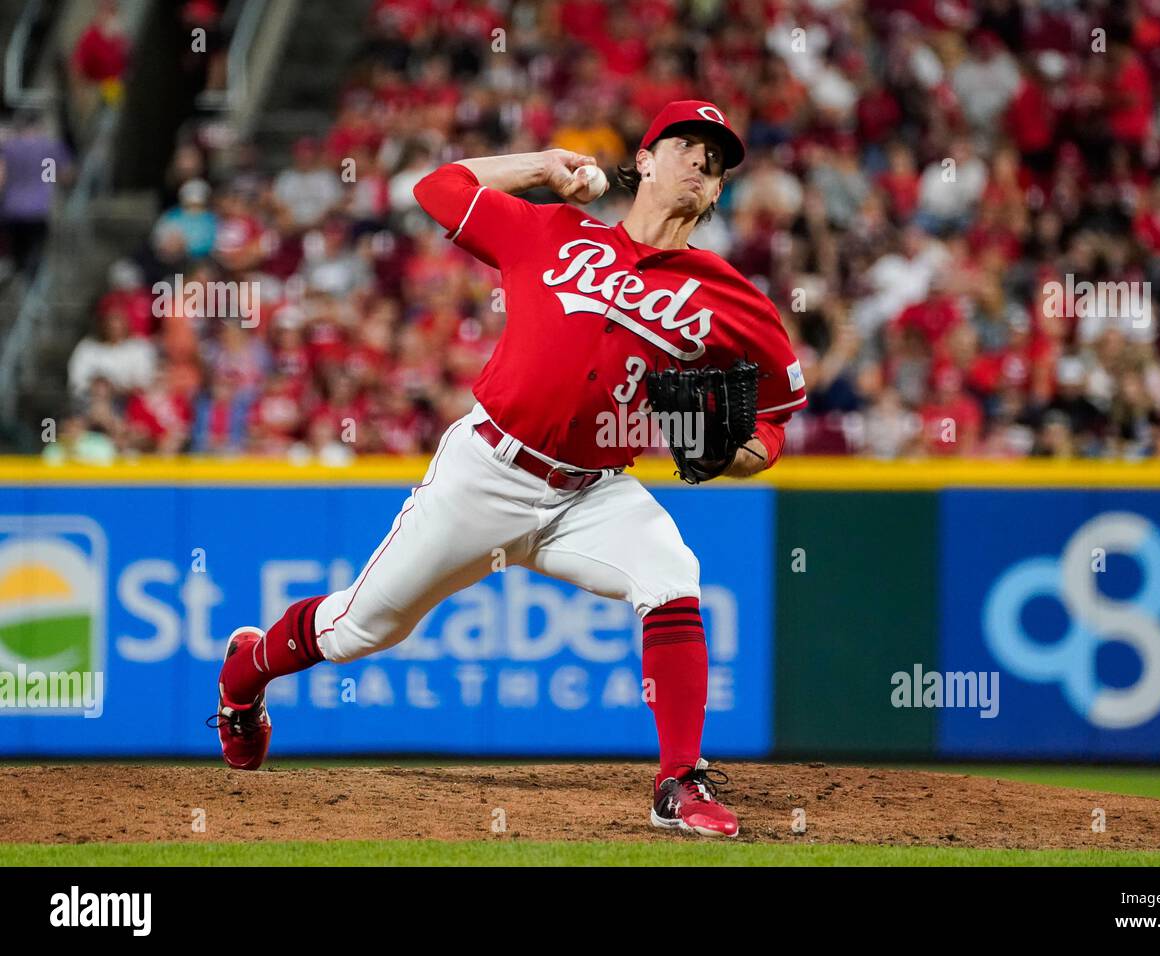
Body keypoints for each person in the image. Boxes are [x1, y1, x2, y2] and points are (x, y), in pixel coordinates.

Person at [210, 101, 807, 838]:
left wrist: (747, 454)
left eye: (715, 164)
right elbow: (437, 189)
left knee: (673, 575)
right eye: (686, 146)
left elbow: (777, 415)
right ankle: (246, 671)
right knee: (358, 631)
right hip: (486, 471)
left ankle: (678, 783)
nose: (701, 164)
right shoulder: (554, 232)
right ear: (644, 160)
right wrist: (540, 166)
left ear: (717, 195)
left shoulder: (730, 298)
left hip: (595, 493)